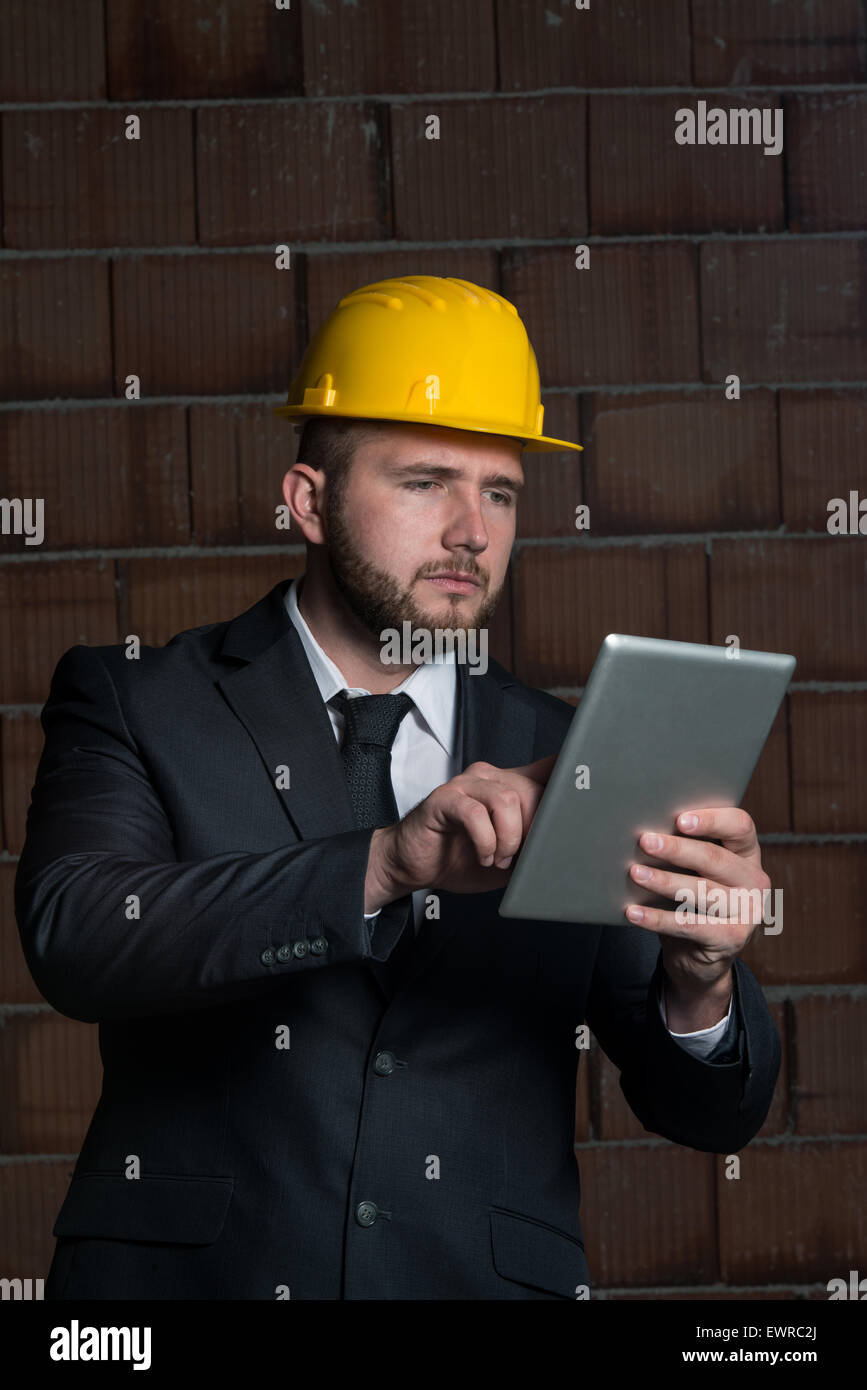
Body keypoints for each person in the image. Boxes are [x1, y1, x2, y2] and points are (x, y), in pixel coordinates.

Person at [16, 275, 780, 1301]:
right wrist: (386, 861)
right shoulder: (138, 696)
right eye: (426, 482)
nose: (472, 528)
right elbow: (80, 936)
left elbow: (708, 1114)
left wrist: (700, 977)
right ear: (308, 500)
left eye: (500, 492)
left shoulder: (568, 748)